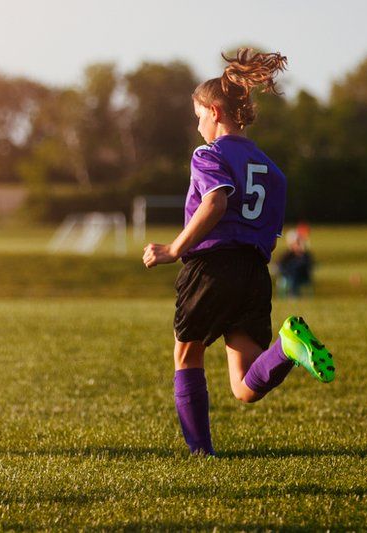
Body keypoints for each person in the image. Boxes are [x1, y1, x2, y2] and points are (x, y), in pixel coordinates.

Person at [142, 48, 336, 456]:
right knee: (245, 387)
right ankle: (286, 348)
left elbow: (215, 203)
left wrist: (175, 248)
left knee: (186, 353)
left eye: (199, 117)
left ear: (215, 111)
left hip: (212, 267)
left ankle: (200, 452)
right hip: (253, 272)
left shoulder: (208, 154)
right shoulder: (272, 169)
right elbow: (268, 230)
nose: (198, 127)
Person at [277, 229, 314, 298]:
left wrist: (300, 254)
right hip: (289, 275)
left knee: (296, 271)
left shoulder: (305, 255)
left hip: (302, 276)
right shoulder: (288, 254)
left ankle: (293, 294)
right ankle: (293, 294)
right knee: (293, 273)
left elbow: (309, 266)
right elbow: (280, 265)